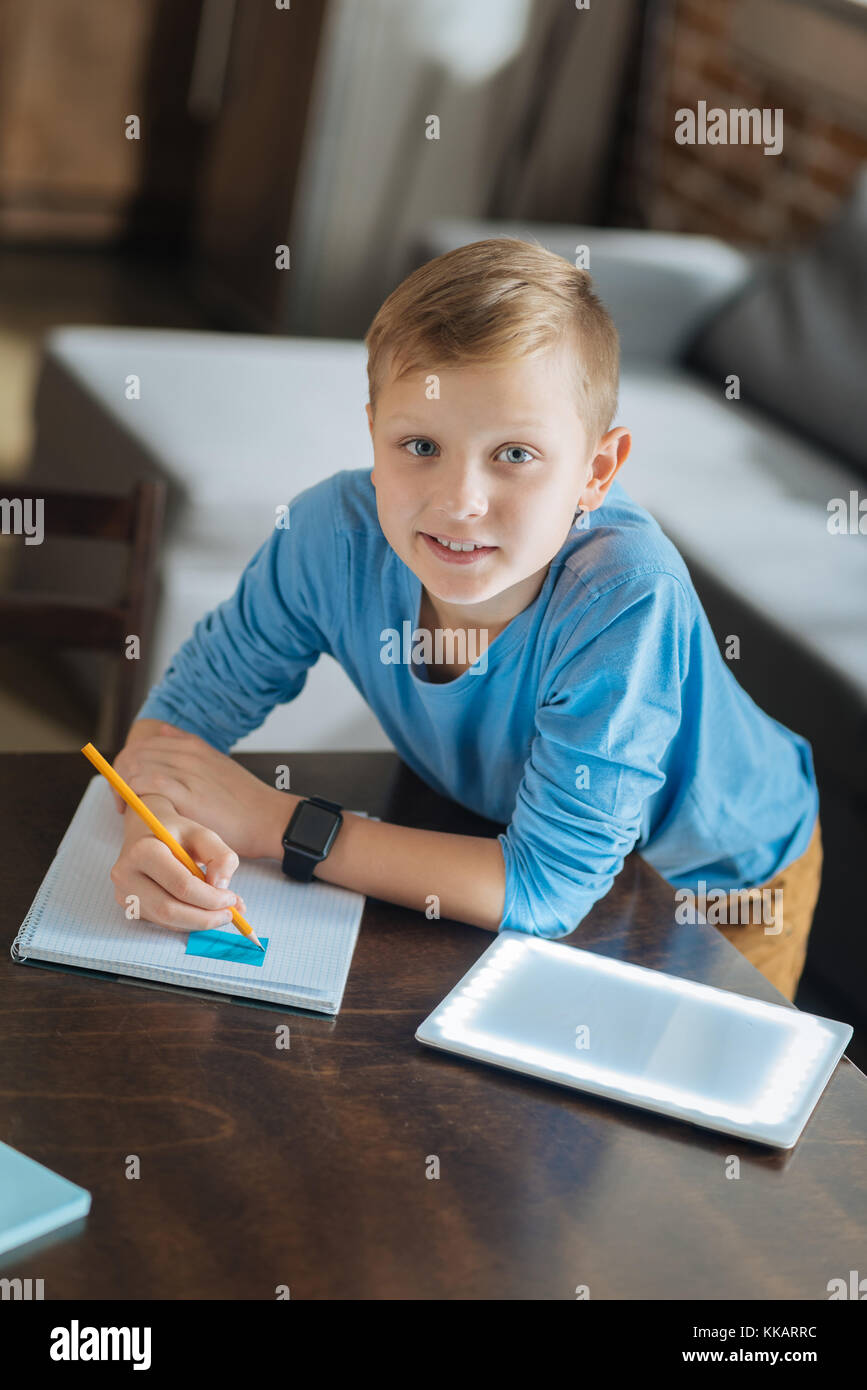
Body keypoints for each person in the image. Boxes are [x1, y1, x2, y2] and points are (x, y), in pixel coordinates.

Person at [108, 238, 822, 1001]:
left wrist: (281, 823)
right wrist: (156, 831)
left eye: (514, 453)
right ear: (374, 437)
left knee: (680, 1113)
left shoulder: (625, 597)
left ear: (596, 472)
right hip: (504, 837)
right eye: (419, 445)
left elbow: (544, 893)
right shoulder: (327, 536)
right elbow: (175, 727)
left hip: (715, 888)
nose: (458, 502)